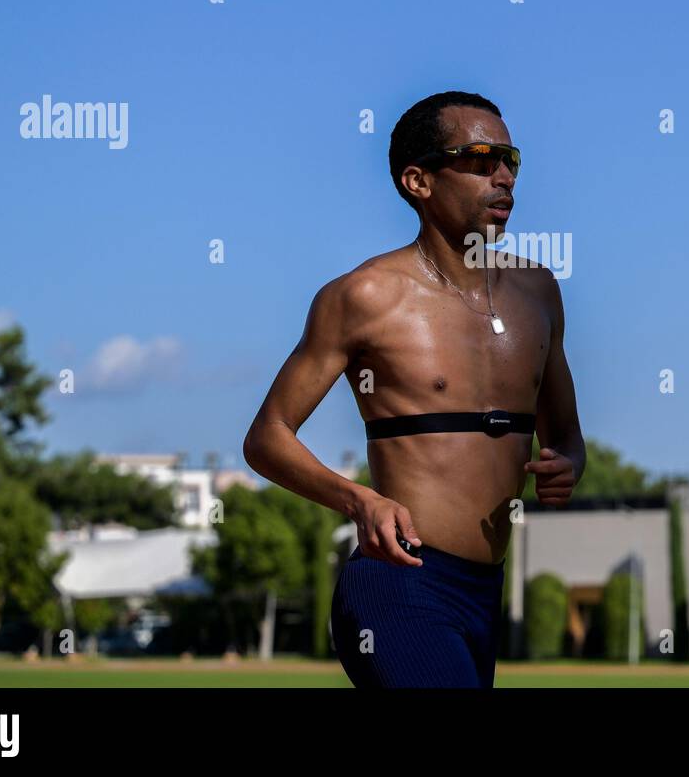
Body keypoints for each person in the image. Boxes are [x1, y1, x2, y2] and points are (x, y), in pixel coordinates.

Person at [243, 90, 586, 687]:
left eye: (511, 160)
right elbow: (266, 437)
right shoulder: (363, 297)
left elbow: (568, 436)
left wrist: (569, 465)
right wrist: (358, 500)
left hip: (484, 593)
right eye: (480, 159)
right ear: (417, 181)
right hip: (398, 584)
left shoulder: (539, 292)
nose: (503, 176)